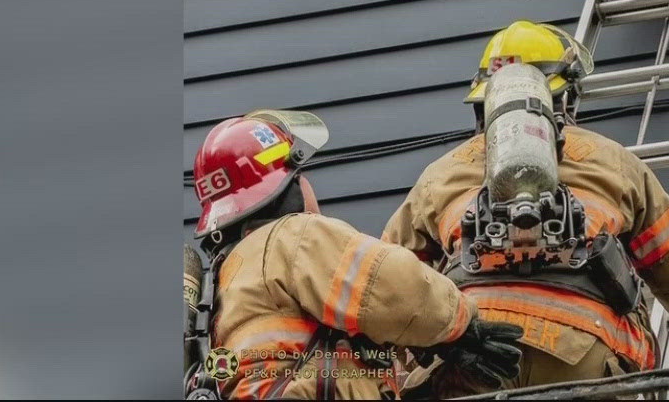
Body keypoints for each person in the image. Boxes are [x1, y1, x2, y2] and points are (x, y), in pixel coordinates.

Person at [383, 22, 669, 394]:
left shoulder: (440, 174)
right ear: (566, 97)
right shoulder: (613, 161)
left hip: (475, 357)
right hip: (589, 361)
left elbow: (388, 286)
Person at [190, 109, 523, 399]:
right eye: (299, 175)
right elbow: (390, 285)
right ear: (285, 187)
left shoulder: (225, 280)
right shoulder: (292, 236)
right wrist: (463, 325)